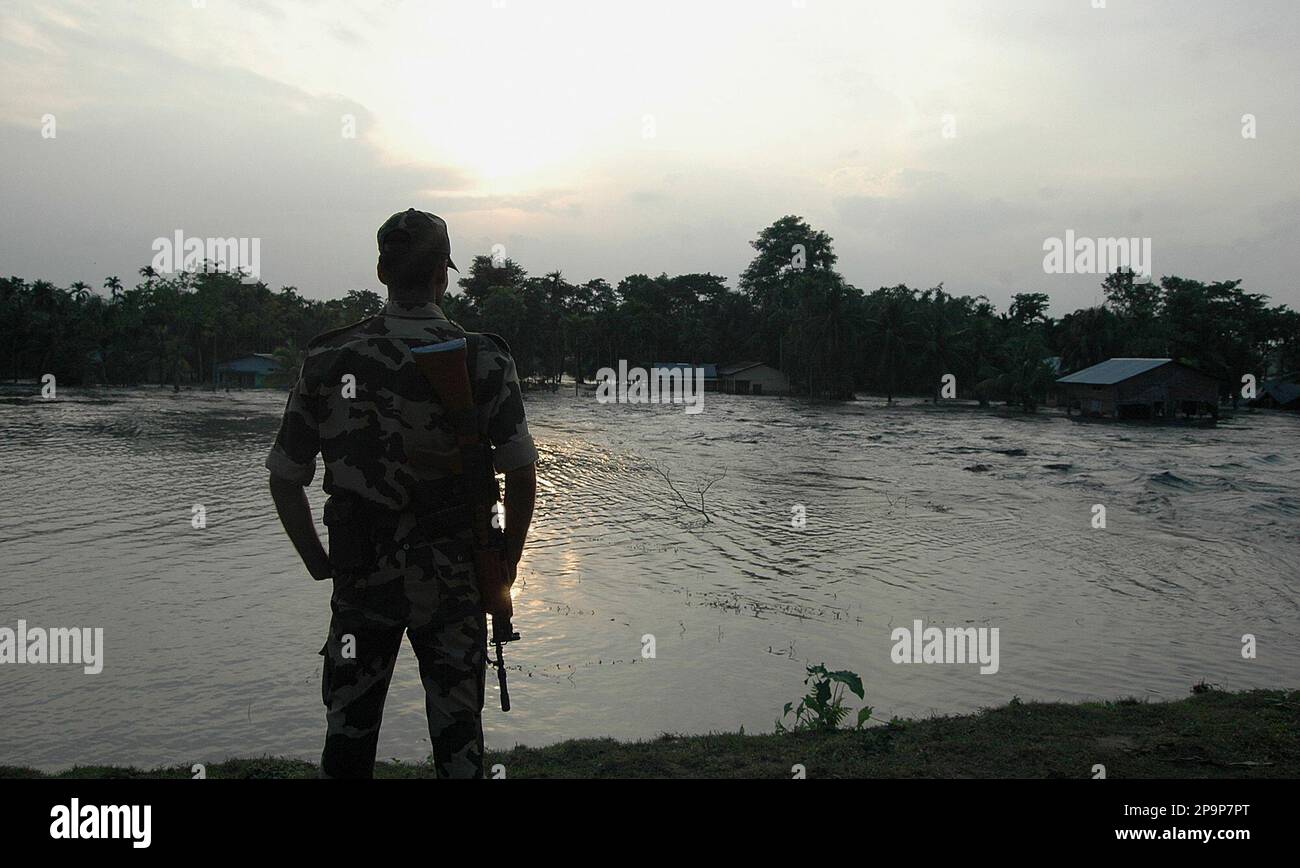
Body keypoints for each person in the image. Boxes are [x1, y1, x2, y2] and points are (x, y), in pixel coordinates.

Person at [267, 209, 538, 779]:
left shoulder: (328, 357)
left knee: (348, 724)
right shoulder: (484, 357)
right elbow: (519, 472)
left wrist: (319, 562)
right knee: (458, 728)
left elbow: (286, 477)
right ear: (445, 274)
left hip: (361, 575)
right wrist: (505, 562)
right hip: (455, 573)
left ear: (381, 270)